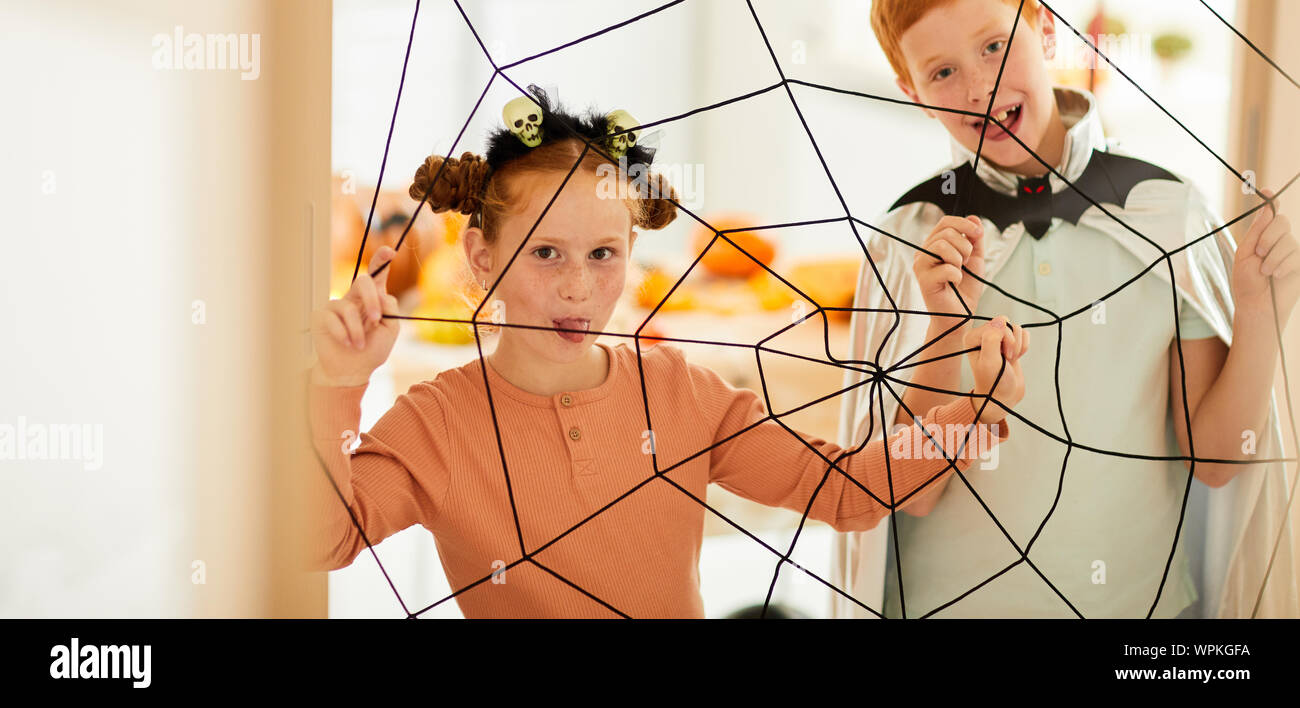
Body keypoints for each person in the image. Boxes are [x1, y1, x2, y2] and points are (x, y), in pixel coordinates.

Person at [302, 87, 1023, 618]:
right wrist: (340, 384)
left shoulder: (680, 392)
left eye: (603, 253)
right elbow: (325, 542)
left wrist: (975, 404)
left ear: (633, 252)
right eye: (545, 252)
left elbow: (851, 491)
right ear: (482, 255)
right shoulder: (436, 422)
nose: (578, 288)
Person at [830, 0, 1299, 619]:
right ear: (912, 91)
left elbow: (1222, 460)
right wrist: (940, 324)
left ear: (1043, 29)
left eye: (994, 46)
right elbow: (909, 491)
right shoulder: (909, 239)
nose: (980, 88)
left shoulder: (1164, 215)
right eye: (942, 73)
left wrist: (1260, 310)